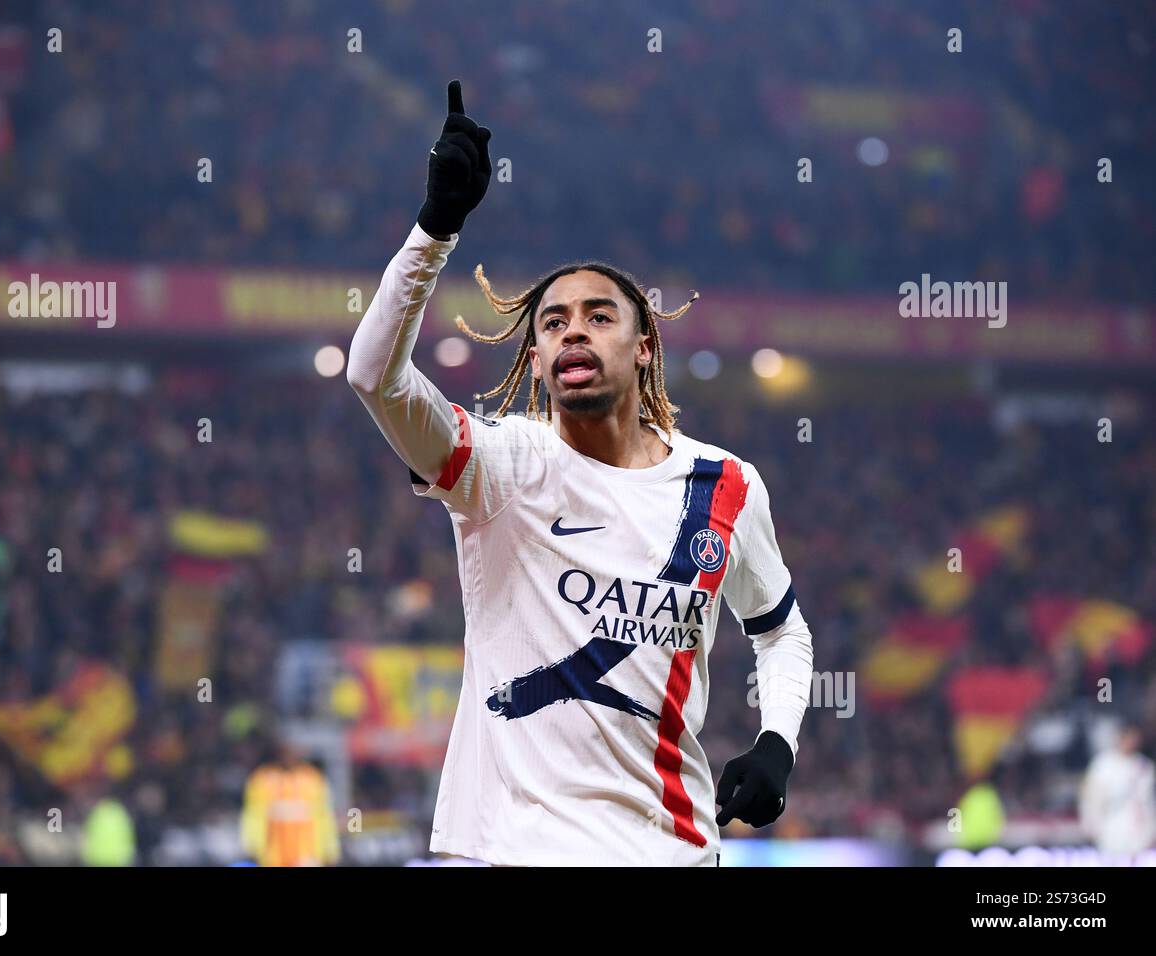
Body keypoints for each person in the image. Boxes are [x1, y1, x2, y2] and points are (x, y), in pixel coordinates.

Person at [347, 80, 814, 866]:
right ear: (536, 360)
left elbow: (782, 632)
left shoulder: (725, 486)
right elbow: (373, 378)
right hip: (511, 852)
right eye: (554, 322)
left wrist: (777, 743)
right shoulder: (499, 467)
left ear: (643, 348)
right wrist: (435, 229)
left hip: (672, 851)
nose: (573, 331)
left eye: (600, 316)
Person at [241, 739, 340, 867]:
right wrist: (252, 845)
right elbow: (254, 815)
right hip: (274, 854)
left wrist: (330, 850)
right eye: (285, 750)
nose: (289, 755)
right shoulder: (262, 779)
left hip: (307, 853)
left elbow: (324, 816)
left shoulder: (313, 779)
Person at [1079, 721, 1156, 858]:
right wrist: (1091, 824)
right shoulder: (1103, 764)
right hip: (1110, 827)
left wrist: (1152, 829)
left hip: (1139, 830)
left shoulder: (1144, 766)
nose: (1132, 742)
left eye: (1135, 738)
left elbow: (1149, 802)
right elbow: (1091, 797)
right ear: (1120, 738)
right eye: (1128, 738)